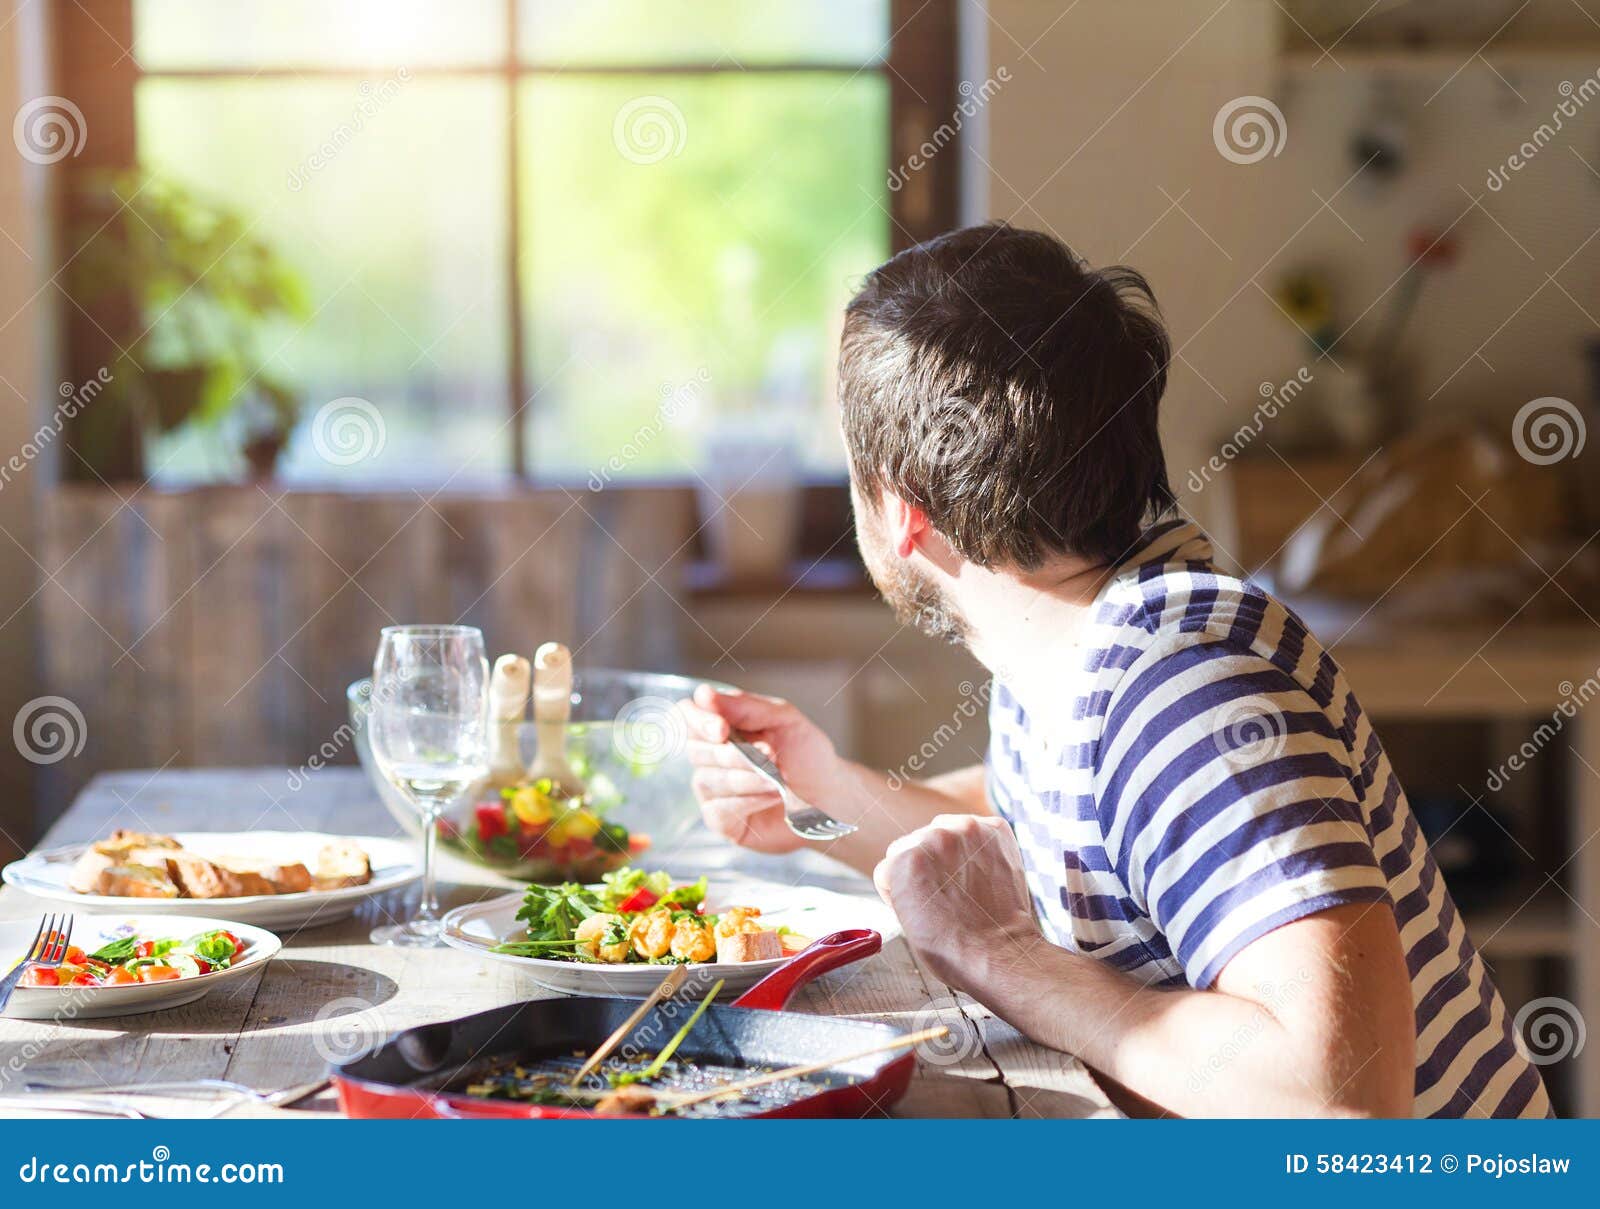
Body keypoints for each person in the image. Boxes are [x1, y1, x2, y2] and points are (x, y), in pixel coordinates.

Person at [679, 222, 1549, 1118]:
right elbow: (1036, 838)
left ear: (904, 511)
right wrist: (821, 794)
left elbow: (1340, 1099)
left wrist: (1001, 956)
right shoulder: (1077, 633)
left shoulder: (1185, 689)